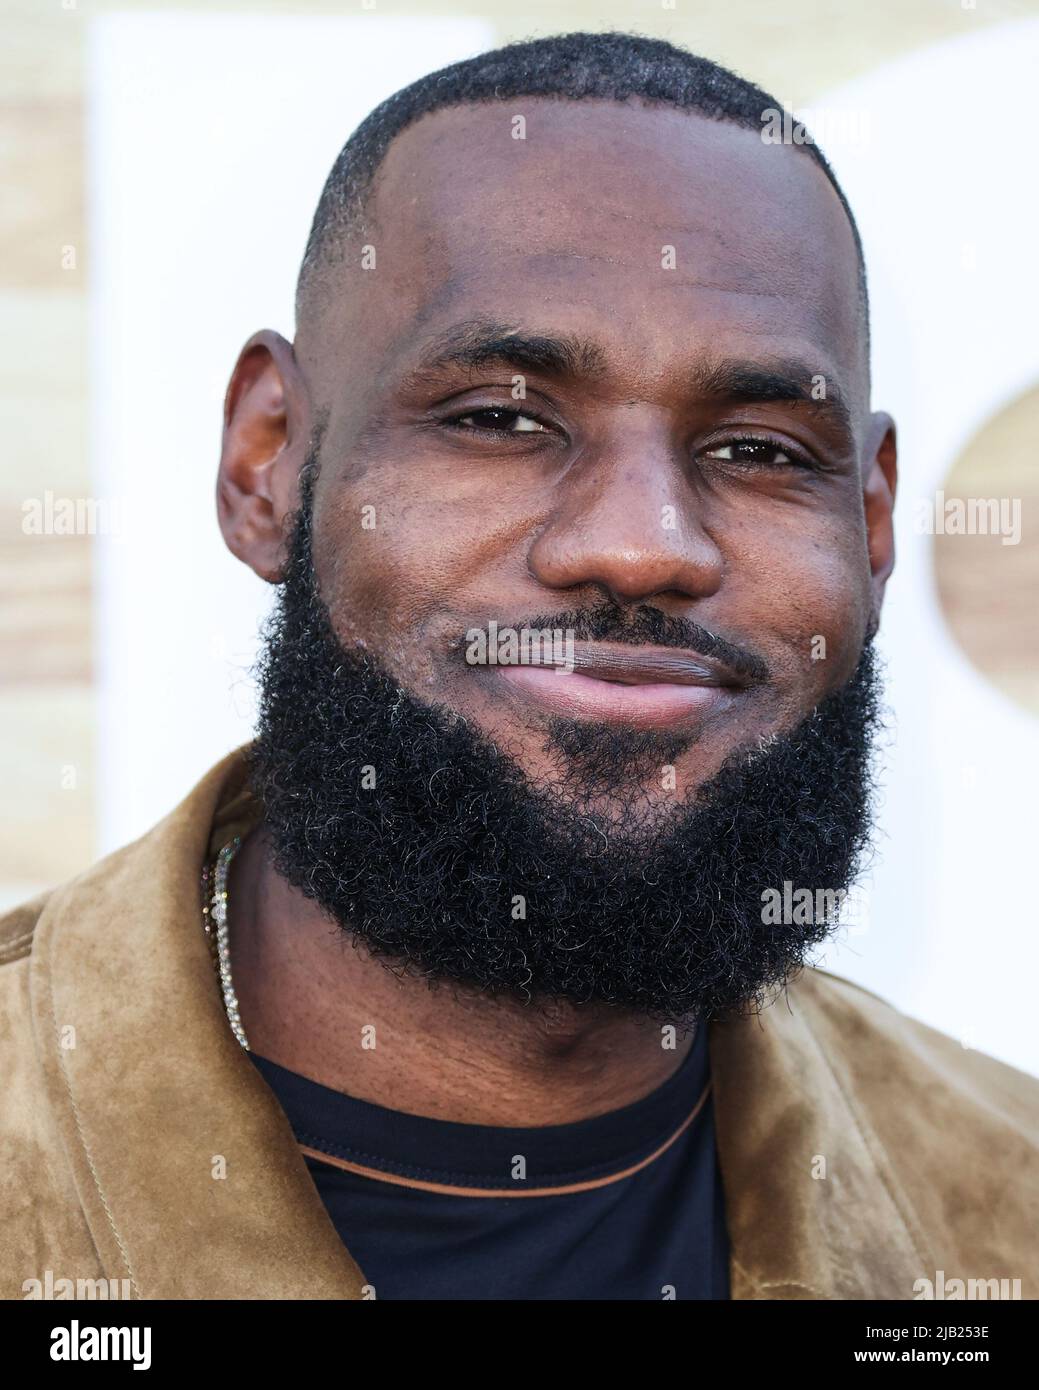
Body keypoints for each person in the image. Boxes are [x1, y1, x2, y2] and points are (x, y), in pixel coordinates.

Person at [3, 31, 1036, 1302]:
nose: (642, 545)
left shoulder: (1006, 1211)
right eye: (499, 418)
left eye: (761, 450)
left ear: (870, 526)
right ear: (267, 461)